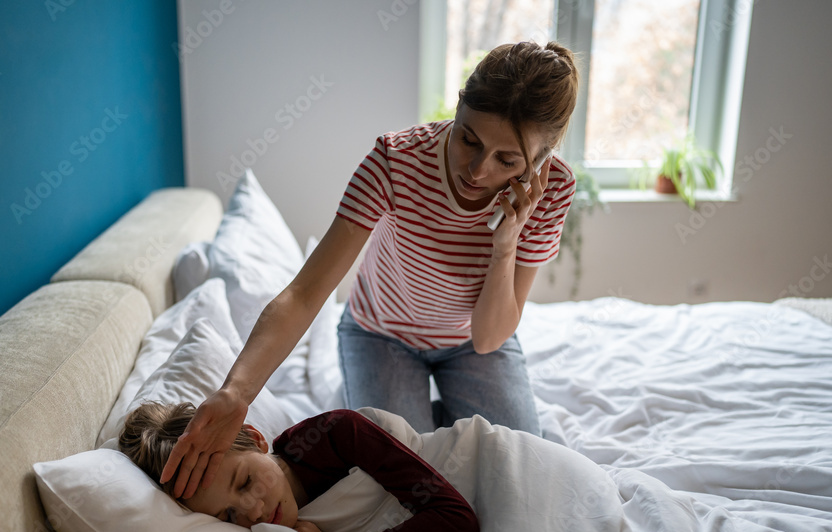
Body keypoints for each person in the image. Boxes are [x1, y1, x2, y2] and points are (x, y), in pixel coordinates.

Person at [164, 40, 581, 500]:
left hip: (473, 343)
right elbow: (305, 293)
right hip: (380, 336)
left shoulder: (554, 189)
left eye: (508, 160)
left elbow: (487, 338)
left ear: (541, 161)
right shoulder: (395, 160)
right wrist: (236, 393)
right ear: (459, 106)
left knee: (518, 476)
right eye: (469, 139)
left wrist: (505, 245)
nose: (479, 170)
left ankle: (434, 410)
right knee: (406, 484)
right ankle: (408, 401)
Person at [119, 401, 480, 532]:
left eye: (245, 482)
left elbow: (456, 521)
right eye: (228, 516)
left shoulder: (337, 432)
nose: (254, 512)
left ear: (257, 438)